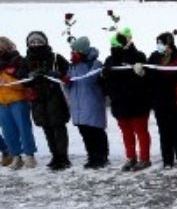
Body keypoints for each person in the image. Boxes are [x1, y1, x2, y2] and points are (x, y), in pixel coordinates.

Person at [101, 28, 152, 171]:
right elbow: (105, 83)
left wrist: (141, 73)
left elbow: (147, 79)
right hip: (119, 103)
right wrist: (104, 76)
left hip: (138, 103)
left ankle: (144, 158)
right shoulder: (110, 60)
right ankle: (131, 157)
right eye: (115, 45)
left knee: (141, 131)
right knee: (126, 133)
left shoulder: (139, 56)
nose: (116, 48)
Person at [24, 31, 71, 171]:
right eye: (33, 42)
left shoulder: (56, 57)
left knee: (58, 128)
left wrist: (54, 74)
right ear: (28, 44)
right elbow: (22, 80)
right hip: (38, 100)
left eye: (39, 42)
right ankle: (55, 155)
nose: (36, 44)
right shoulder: (26, 60)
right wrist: (31, 77)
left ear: (45, 42)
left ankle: (63, 157)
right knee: (47, 128)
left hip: (55, 98)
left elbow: (68, 73)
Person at [65, 36, 109, 168]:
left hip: (92, 104)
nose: (73, 53)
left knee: (96, 132)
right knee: (85, 133)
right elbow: (68, 86)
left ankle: (101, 157)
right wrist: (66, 81)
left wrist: (83, 64)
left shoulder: (95, 64)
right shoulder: (72, 66)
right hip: (78, 106)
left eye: (75, 51)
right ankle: (91, 156)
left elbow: (89, 81)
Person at [148, 32, 177, 168]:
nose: (159, 46)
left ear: (168, 43)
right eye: (157, 43)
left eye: (161, 43)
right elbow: (149, 72)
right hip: (160, 100)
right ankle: (167, 159)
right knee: (164, 131)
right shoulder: (154, 56)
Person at [0, 37, 37, 169]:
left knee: (24, 129)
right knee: (8, 132)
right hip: (2, 104)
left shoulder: (18, 61)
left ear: (7, 47)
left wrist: (8, 82)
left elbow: (25, 82)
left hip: (18, 101)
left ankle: (30, 156)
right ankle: (16, 157)